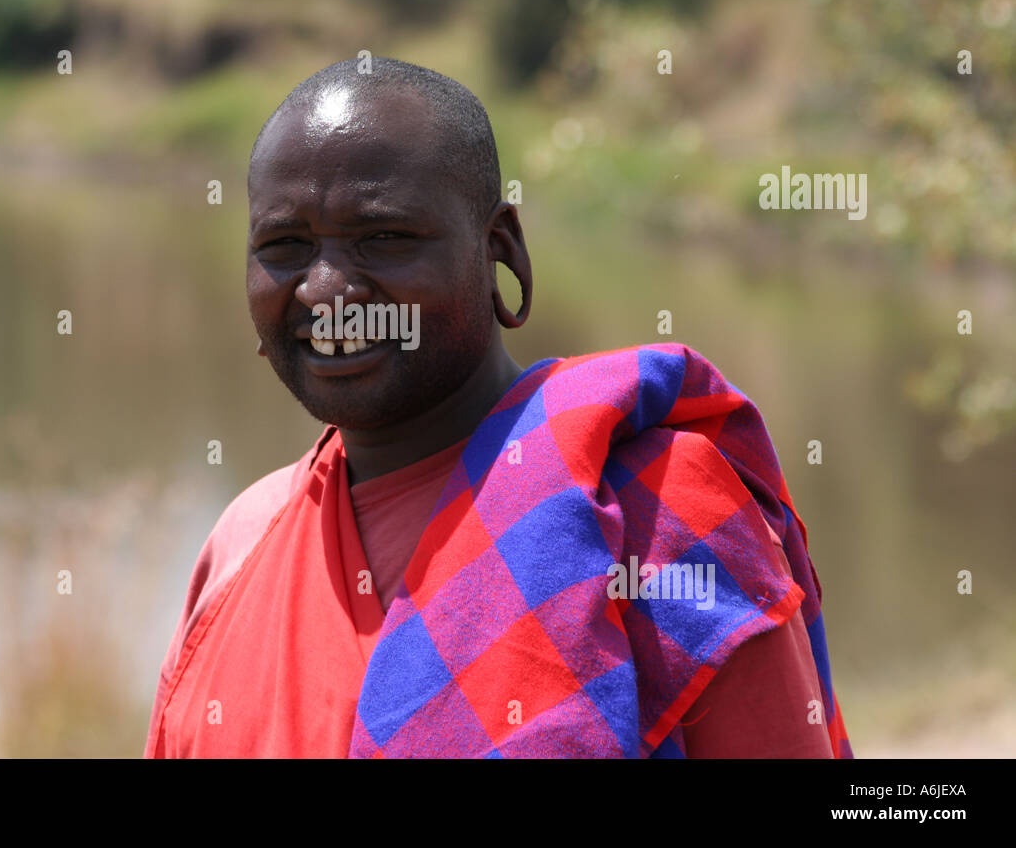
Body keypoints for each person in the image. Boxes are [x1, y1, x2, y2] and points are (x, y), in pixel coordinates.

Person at [145, 57, 852, 758]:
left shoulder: (664, 509)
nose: (325, 292)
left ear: (500, 250)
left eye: (384, 237)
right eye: (285, 247)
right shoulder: (243, 544)